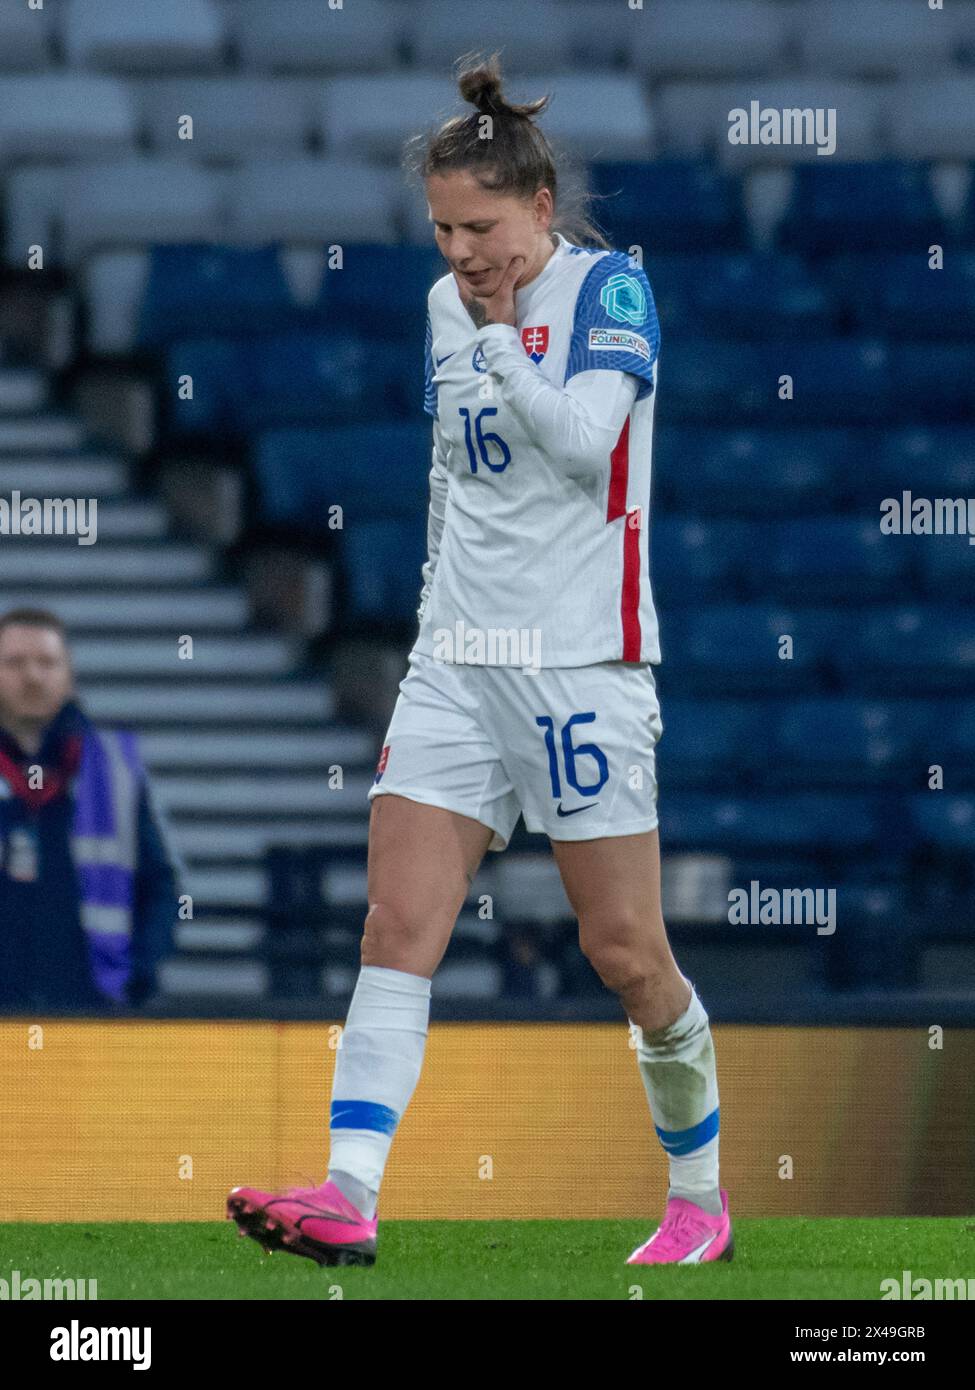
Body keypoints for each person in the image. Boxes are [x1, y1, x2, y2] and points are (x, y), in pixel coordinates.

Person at [228, 56, 732, 1269]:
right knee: (397, 924)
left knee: (626, 954)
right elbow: (457, 481)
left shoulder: (613, 293)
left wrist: (506, 339)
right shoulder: (445, 306)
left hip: (580, 667)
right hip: (457, 661)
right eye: (445, 230)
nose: (462, 253)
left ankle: (701, 1199)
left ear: (542, 210)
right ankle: (351, 1192)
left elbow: (577, 447)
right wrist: (433, 624)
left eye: (484, 227)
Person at [0, 608, 180, 1012]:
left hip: (88, 1012)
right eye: (14, 662)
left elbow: (162, 884)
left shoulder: (114, 768)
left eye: (47, 663)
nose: (32, 676)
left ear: (68, 676)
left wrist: (138, 974)